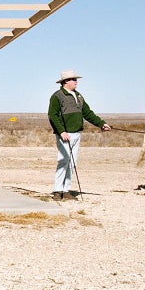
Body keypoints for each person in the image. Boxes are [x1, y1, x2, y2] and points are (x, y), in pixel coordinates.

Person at [47, 70, 111, 200]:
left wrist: (101, 124)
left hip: (77, 133)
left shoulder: (79, 96)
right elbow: (52, 115)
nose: (76, 81)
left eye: (76, 79)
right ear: (65, 81)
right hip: (65, 135)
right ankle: (57, 190)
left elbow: (87, 113)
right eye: (73, 79)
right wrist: (61, 131)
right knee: (63, 161)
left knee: (72, 162)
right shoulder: (57, 96)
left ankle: (66, 190)